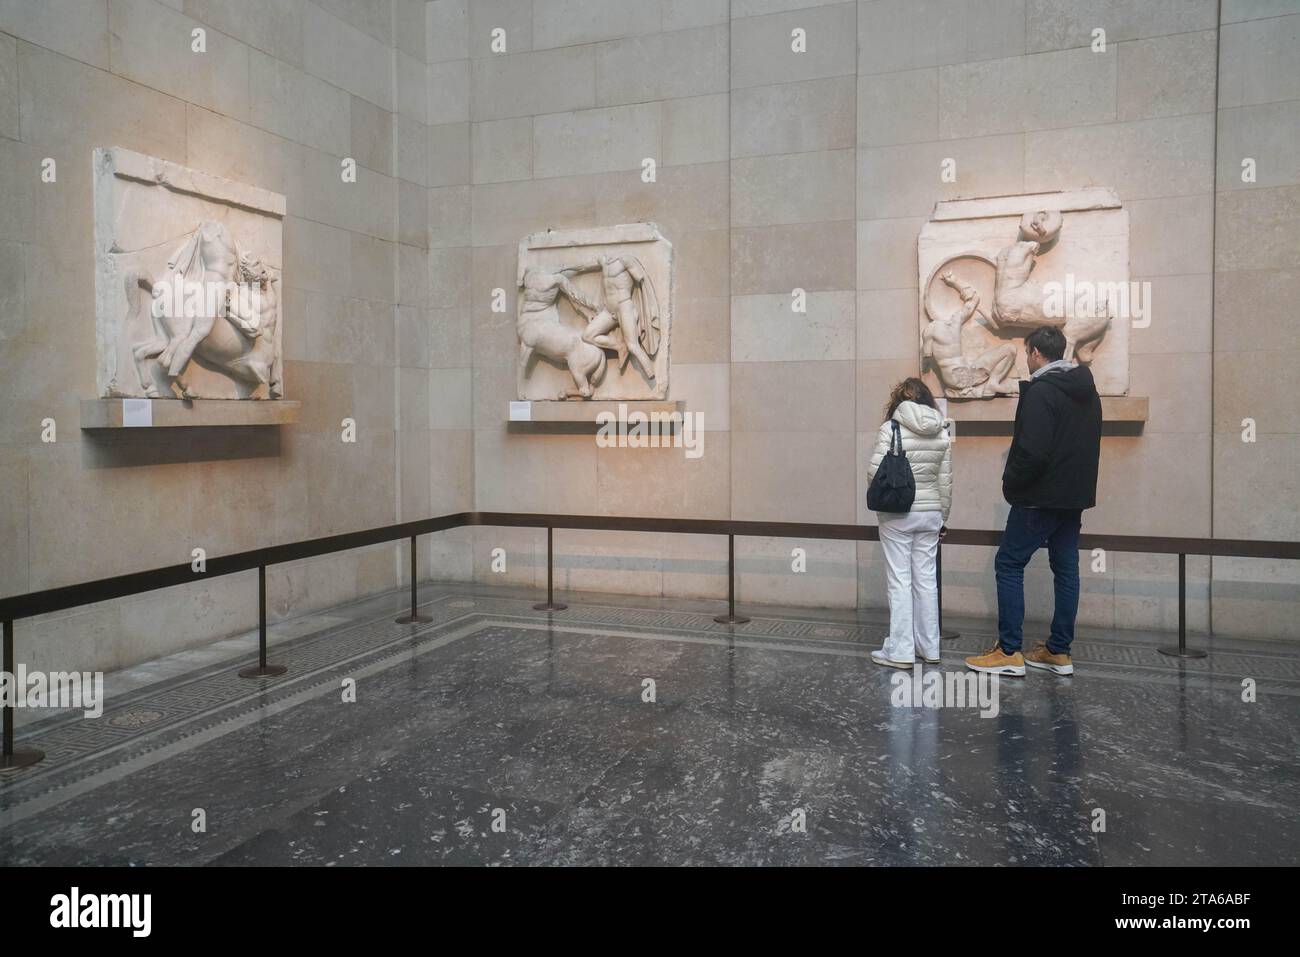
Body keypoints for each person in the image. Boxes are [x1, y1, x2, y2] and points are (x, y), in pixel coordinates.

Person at [965, 326, 1102, 678]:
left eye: (1027, 354)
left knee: (1008, 564)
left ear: (1036, 353)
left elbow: (1033, 450)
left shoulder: (1042, 391)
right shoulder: (1088, 391)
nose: (1026, 361)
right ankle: (1058, 651)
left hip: (1039, 498)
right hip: (1072, 499)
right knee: (1067, 570)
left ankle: (1009, 651)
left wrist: (1012, 483)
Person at [866, 378, 953, 669]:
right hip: (931, 514)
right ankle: (929, 647)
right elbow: (945, 480)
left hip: (898, 515)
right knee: (926, 581)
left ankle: (901, 652)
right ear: (927, 401)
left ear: (898, 403)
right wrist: (944, 518)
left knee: (900, 581)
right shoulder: (942, 429)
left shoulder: (890, 428)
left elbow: (873, 471)